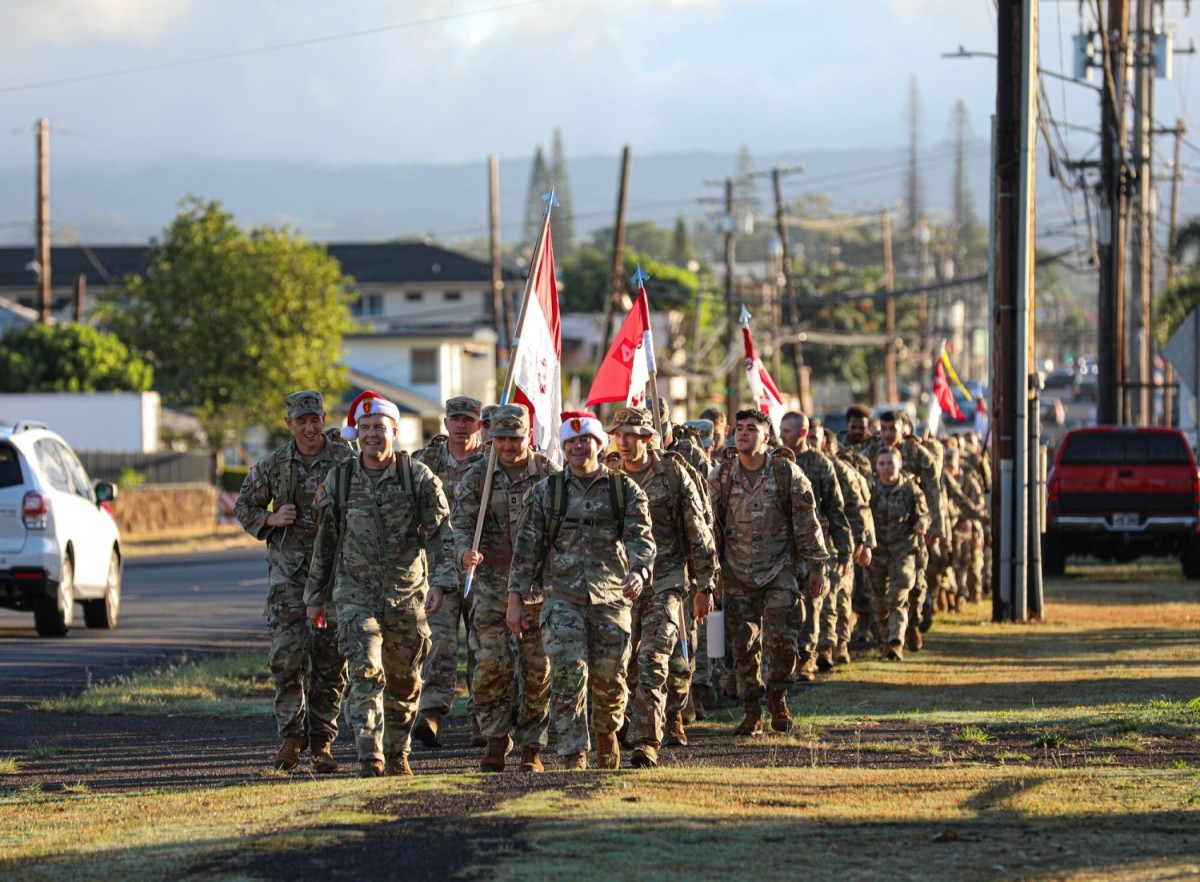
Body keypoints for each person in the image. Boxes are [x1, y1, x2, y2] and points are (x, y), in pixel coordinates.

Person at [304, 391, 457, 777]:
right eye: (366, 427)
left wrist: (441, 583)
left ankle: (397, 753)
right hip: (356, 596)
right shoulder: (339, 480)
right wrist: (315, 598)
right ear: (357, 433)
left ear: (395, 430)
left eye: (380, 427)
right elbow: (326, 542)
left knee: (405, 682)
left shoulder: (418, 478)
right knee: (366, 670)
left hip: (407, 597)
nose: (372, 434)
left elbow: (441, 535)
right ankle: (369, 755)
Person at [507, 411, 656, 771]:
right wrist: (514, 600)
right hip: (561, 598)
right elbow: (526, 549)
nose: (577, 447)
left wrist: (640, 571)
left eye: (585, 440)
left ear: (599, 444)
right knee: (568, 673)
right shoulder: (547, 492)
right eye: (570, 442)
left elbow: (642, 539)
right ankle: (574, 753)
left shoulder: (624, 490)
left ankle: (607, 737)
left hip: (611, 599)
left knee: (610, 680)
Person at [234, 390, 355, 773]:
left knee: (330, 662)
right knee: (287, 658)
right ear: (289, 424)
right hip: (289, 577)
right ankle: (291, 737)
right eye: (301, 420)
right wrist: (270, 519)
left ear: (322, 418)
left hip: (334, 575)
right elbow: (243, 506)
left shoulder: (345, 461)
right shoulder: (274, 464)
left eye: (314, 418)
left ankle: (322, 742)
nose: (309, 426)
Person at [609, 406, 717, 769]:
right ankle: (631, 722)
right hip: (619, 585)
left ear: (648, 438)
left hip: (667, 581)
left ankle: (647, 741)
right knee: (625, 666)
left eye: (631, 436)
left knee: (656, 659)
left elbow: (698, 532)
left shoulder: (673, 474)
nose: (623, 443)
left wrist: (705, 585)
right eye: (618, 435)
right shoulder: (608, 474)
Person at [709, 409, 828, 735]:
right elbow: (711, 528)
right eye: (740, 428)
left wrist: (817, 565)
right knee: (743, 646)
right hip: (737, 571)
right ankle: (751, 711)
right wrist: (711, 575)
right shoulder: (722, 474)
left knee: (782, 641)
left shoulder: (786, 472)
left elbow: (807, 523)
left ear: (766, 436)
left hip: (779, 570)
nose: (743, 433)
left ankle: (778, 698)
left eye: (751, 428)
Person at [453, 404, 558, 773]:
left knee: (537, 671)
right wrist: (464, 551)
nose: (509, 446)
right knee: (490, 668)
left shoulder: (547, 474)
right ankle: (496, 740)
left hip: (537, 591)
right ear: (490, 438)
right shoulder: (478, 476)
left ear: (527, 435)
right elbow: (461, 523)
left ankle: (532, 747)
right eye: (501, 438)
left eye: (515, 438)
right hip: (492, 588)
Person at [413, 396, 486, 748]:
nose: (461, 425)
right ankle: (432, 714)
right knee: (438, 643)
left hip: (481, 568)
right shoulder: (424, 462)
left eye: (468, 419)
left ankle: (482, 718)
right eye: (455, 418)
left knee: (483, 646)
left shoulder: (491, 464)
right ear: (445, 423)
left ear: (479, 424)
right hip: (438, 568)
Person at [778, 412, 852, 678]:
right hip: (782, 548)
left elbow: (835, 508)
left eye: (787, 430)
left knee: (812, 604)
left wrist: (845, 550)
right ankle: (786, 659)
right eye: (780, 429)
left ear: (802, 432)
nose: (782, 435)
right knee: (784, 606)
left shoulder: (821, 464)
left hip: (813, 547)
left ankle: (807, 658)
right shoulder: (776, 463)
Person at [814, 424, 874, 665]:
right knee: (825, 599)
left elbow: (857, 509)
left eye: (819, 440)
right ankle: (825, 647)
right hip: (816, 543)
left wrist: (861, 542)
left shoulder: (841, 471)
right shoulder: (799, 466)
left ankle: (839, 644)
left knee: (841, 597)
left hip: (840, 542)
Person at [865, 447, 929, 661]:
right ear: (876, 466)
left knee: (899, 595)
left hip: (903, 549)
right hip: (877, 550)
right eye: (882, 463)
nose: (886, 468)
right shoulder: (869, 488)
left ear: (899, 464)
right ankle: (886, 641)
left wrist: (922, 523)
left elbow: (924, 514)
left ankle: (896, 642)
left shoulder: (910, 489)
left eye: (890, 463)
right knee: (879, 600)